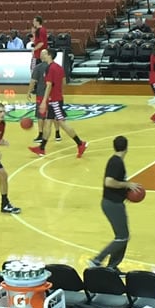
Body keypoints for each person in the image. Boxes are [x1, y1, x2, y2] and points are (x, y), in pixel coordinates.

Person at [31, 48, 86, 158]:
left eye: (45, 54)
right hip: (56, 99)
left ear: (49, 55)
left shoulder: (50, 68)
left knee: (62, 123)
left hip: (54, 101)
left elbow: (49, 86)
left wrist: (44, 101)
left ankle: (80, 144)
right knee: (48, 122)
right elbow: (63, 82)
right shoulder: (59, 67)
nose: (43, 56)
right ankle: (41, 148)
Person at [90, 135, 134, 269]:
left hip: (114, 203)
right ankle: (97, 260)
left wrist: (125, 193)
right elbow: (109, 182)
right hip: (112, 204)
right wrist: (127, 185)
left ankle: (112, 267)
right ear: (126, 148)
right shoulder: (116, 163)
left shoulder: (116, 161)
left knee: (123, 237)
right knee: (122, 237)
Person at [28, 17, 49, 97]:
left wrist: (34, 49)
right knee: (39, 72)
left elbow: (41, 43)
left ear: (38, 22)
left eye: (34, 21)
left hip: (39, 55)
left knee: (35, 71)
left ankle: (36, 88)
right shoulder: (40, 30)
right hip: (40, 55)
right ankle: (38, 87)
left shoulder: (41, 30)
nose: (33, 22)